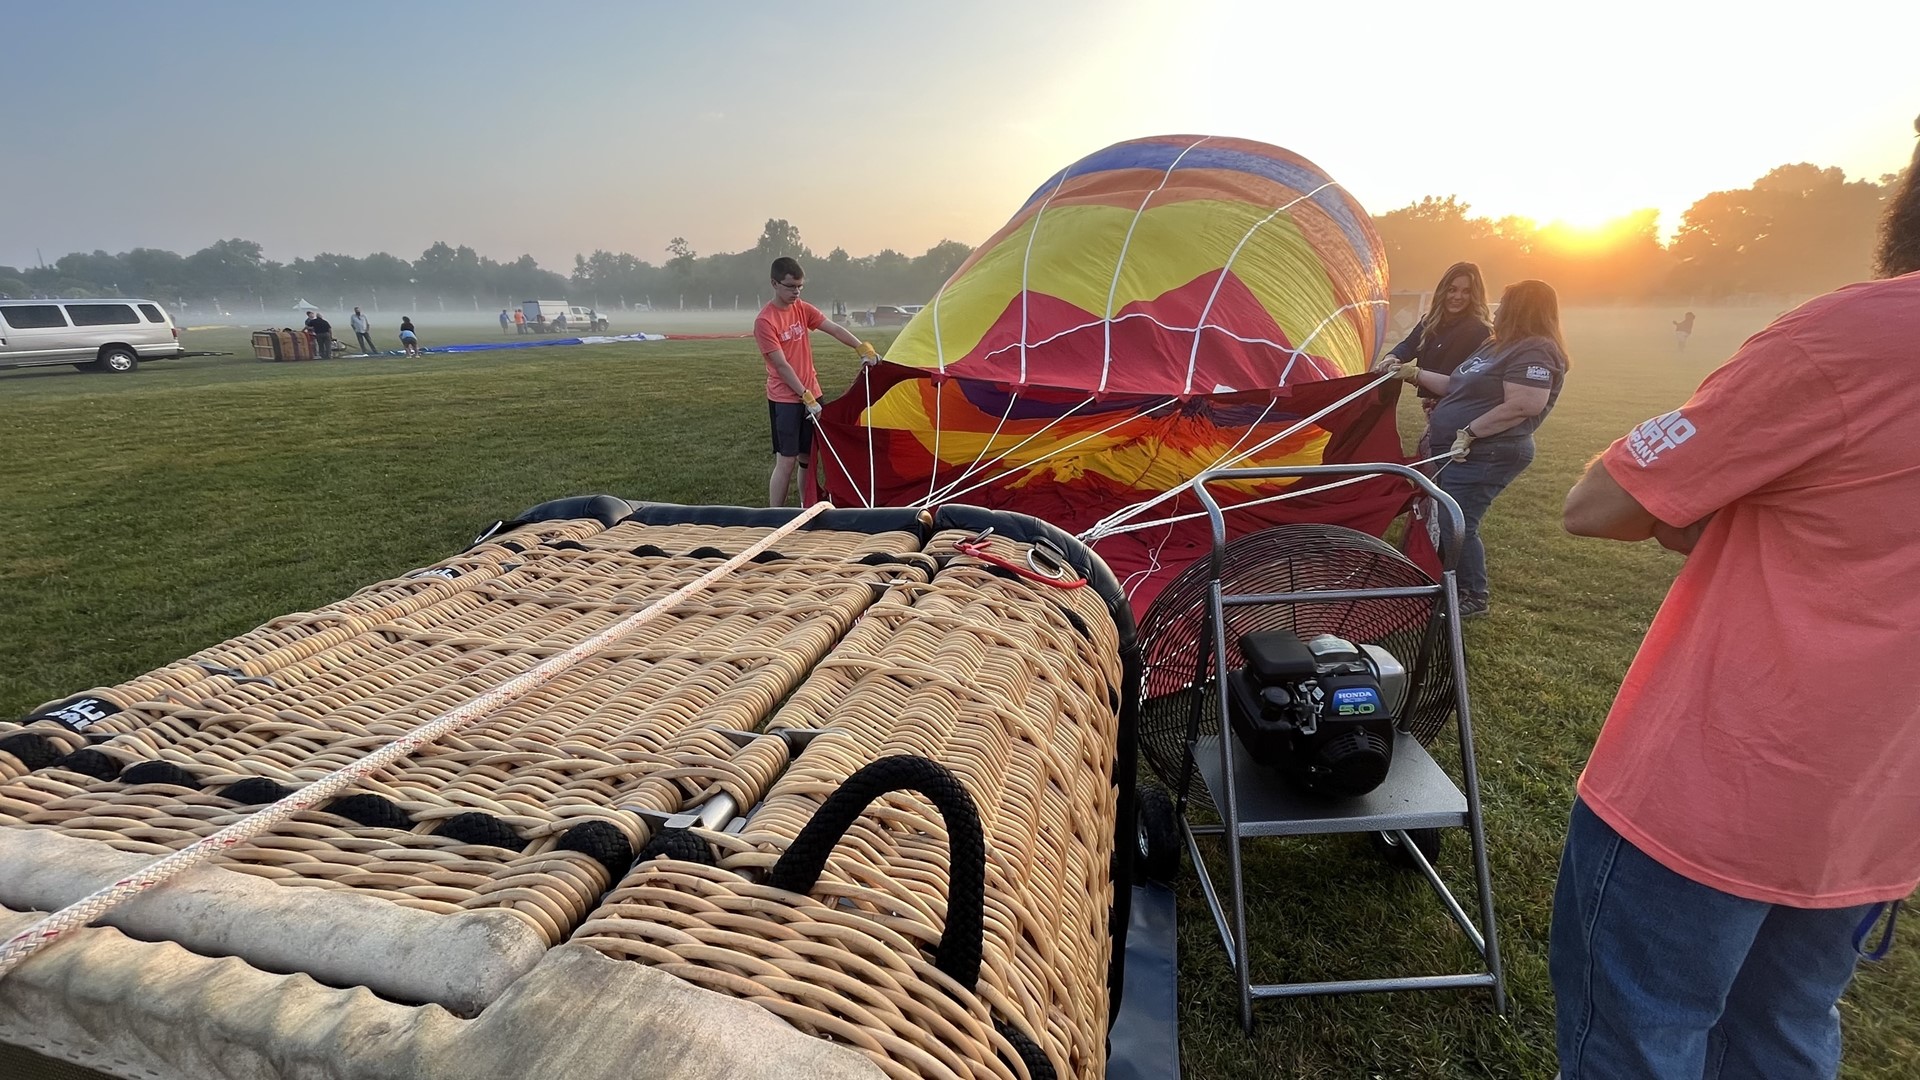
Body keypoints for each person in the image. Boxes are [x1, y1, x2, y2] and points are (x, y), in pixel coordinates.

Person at [1551, 117, 1920, 1080]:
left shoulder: (1860, 334)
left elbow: (1601, 502)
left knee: (1640, 1042)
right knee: (1784, 1039)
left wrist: (1713, 511)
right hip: (1873, 815)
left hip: (1711, 794)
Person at [1393, 279, 1568, 619]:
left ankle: (1473, 596)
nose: (1497, 309)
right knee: (1448, 518)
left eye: (1505, 303)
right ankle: (1449, 584)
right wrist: (1413, 373)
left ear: (1522, 308)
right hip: (1468, 448)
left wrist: (1471, 432)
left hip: (1489, 452)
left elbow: (1526, 403)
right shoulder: (1495, 345)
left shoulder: (1535, 350)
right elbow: (1453, 385)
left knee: (1458, 522)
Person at [756, 256, 880, 507]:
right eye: (790, 286)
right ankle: (773, 516)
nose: (796, 292)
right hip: (786, 399)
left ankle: (807, 507)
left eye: (800, 286)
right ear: (774, 283)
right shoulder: (765, 321)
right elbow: (781, 365)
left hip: (811, 393)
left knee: (808, 457)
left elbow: (833, 328)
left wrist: (861, 348)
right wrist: (804, 396)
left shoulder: (802, 307)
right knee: (787, 460)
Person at [1373, 262, 1493, 434]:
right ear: (1443, 291)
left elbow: (1455, 379)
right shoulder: (1430, 321)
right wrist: (1392, 357)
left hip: (1459, 412)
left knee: (1432, 455)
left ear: (1475, 295)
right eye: (1452, 289)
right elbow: (1408, 345)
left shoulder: (1478, 329)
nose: (1458, 296)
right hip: (1434, 409)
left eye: (1466, 291)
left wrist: (1413, 374)